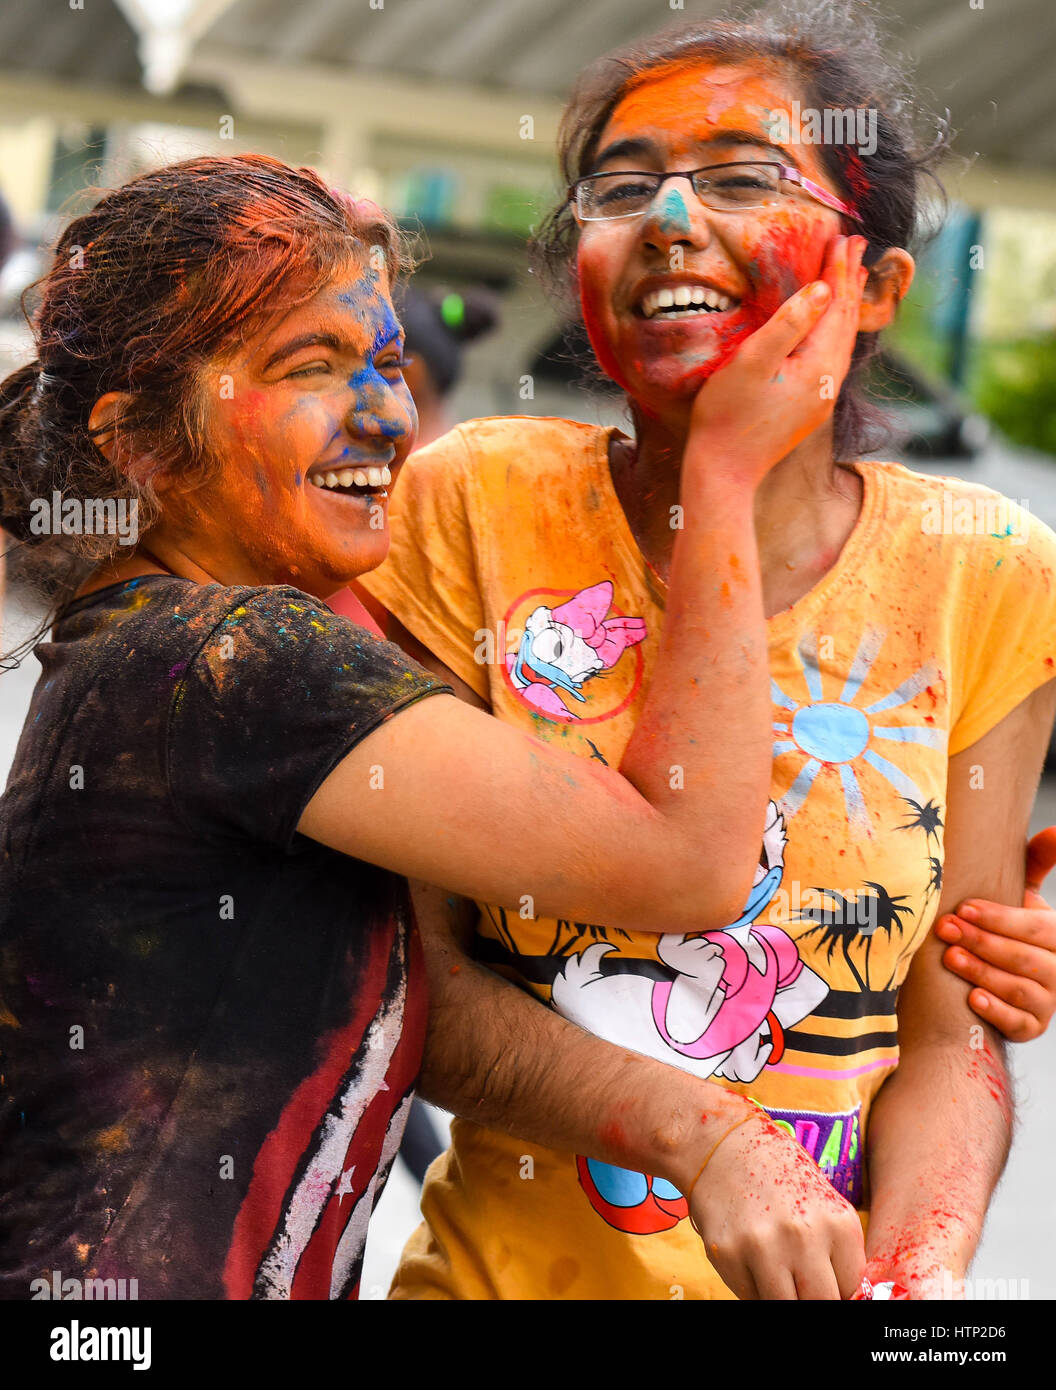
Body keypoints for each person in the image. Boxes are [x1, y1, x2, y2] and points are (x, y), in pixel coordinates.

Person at [0, 152, 868, 1299]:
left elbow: (440, 1002)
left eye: (390, 363)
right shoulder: (236, 659)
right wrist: (721, 474)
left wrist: (702, 1128)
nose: (387, 414)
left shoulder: (177, 636)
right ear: (135, 441)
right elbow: (691, 860)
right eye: (310, 366)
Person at [359, 2, 1056, 1300]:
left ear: (882, 290)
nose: (669, 219)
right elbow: (421, 988)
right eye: (620, 189)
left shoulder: (992, 572)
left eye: (741, 178)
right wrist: (709, 1135)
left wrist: (917, 1275)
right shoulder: (473, 505)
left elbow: (956, 1032)